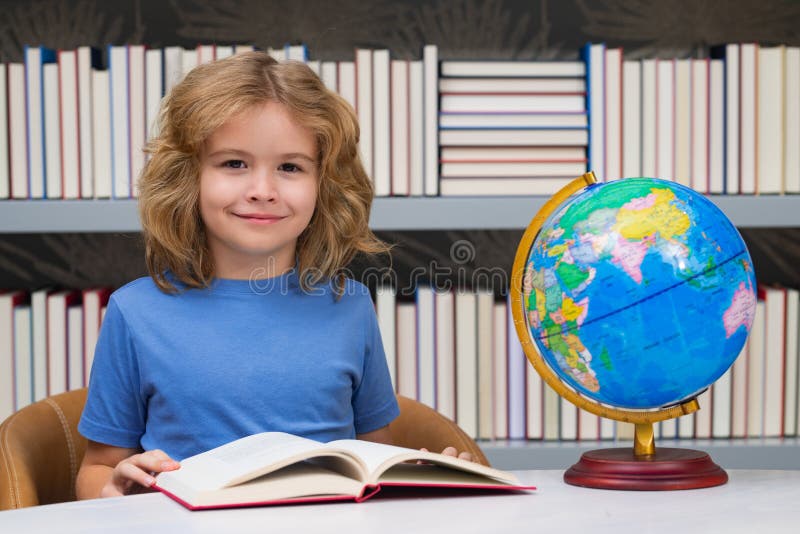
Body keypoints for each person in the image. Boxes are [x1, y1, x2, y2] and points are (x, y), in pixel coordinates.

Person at [76, 51, 471, 500]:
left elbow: (372, 462)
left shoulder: (352, 305)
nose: (262, 191)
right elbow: (98, 468)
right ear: (189, 178)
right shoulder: (135, 311)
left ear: (324, 185)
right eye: (234, 164)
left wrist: (427, 477)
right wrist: (111, 490)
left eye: (290, 167)